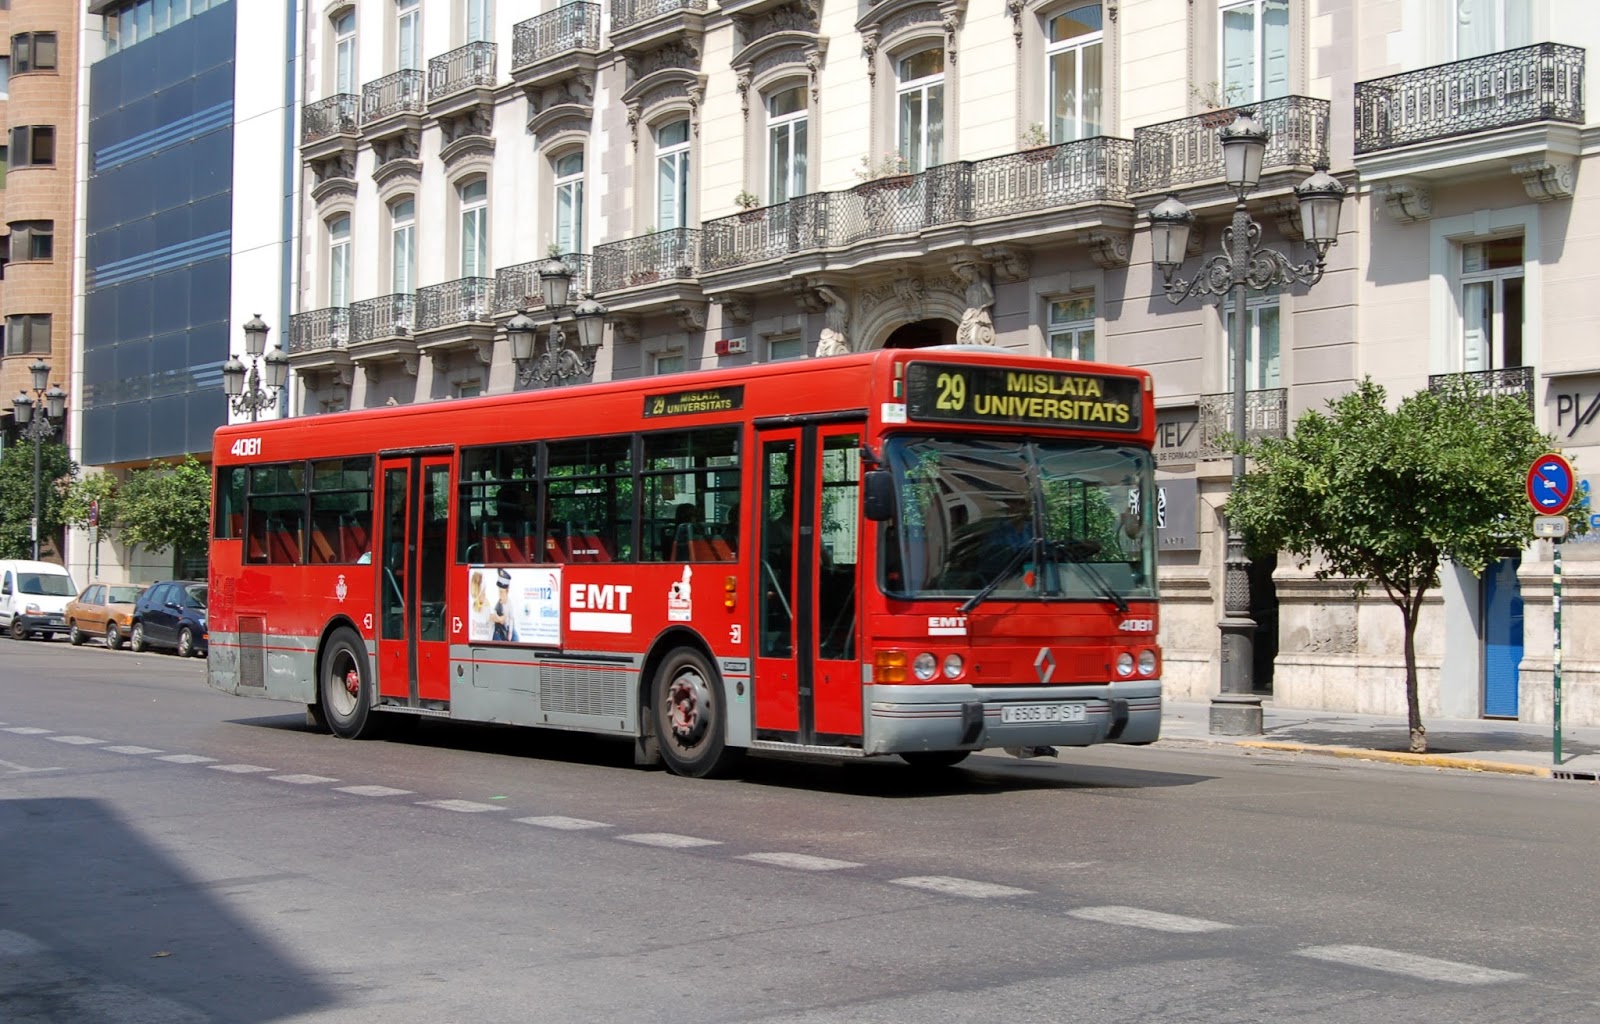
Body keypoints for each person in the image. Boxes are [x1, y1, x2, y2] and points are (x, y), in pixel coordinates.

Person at [490, 567, 518, 642]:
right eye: (499, 592)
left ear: (507, 591)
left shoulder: (510, 604)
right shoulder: (497, 606)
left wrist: (510, 634)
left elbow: (511, 619)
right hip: (500, 632)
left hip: (509, 630)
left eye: (502, 592)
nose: (500, 594)